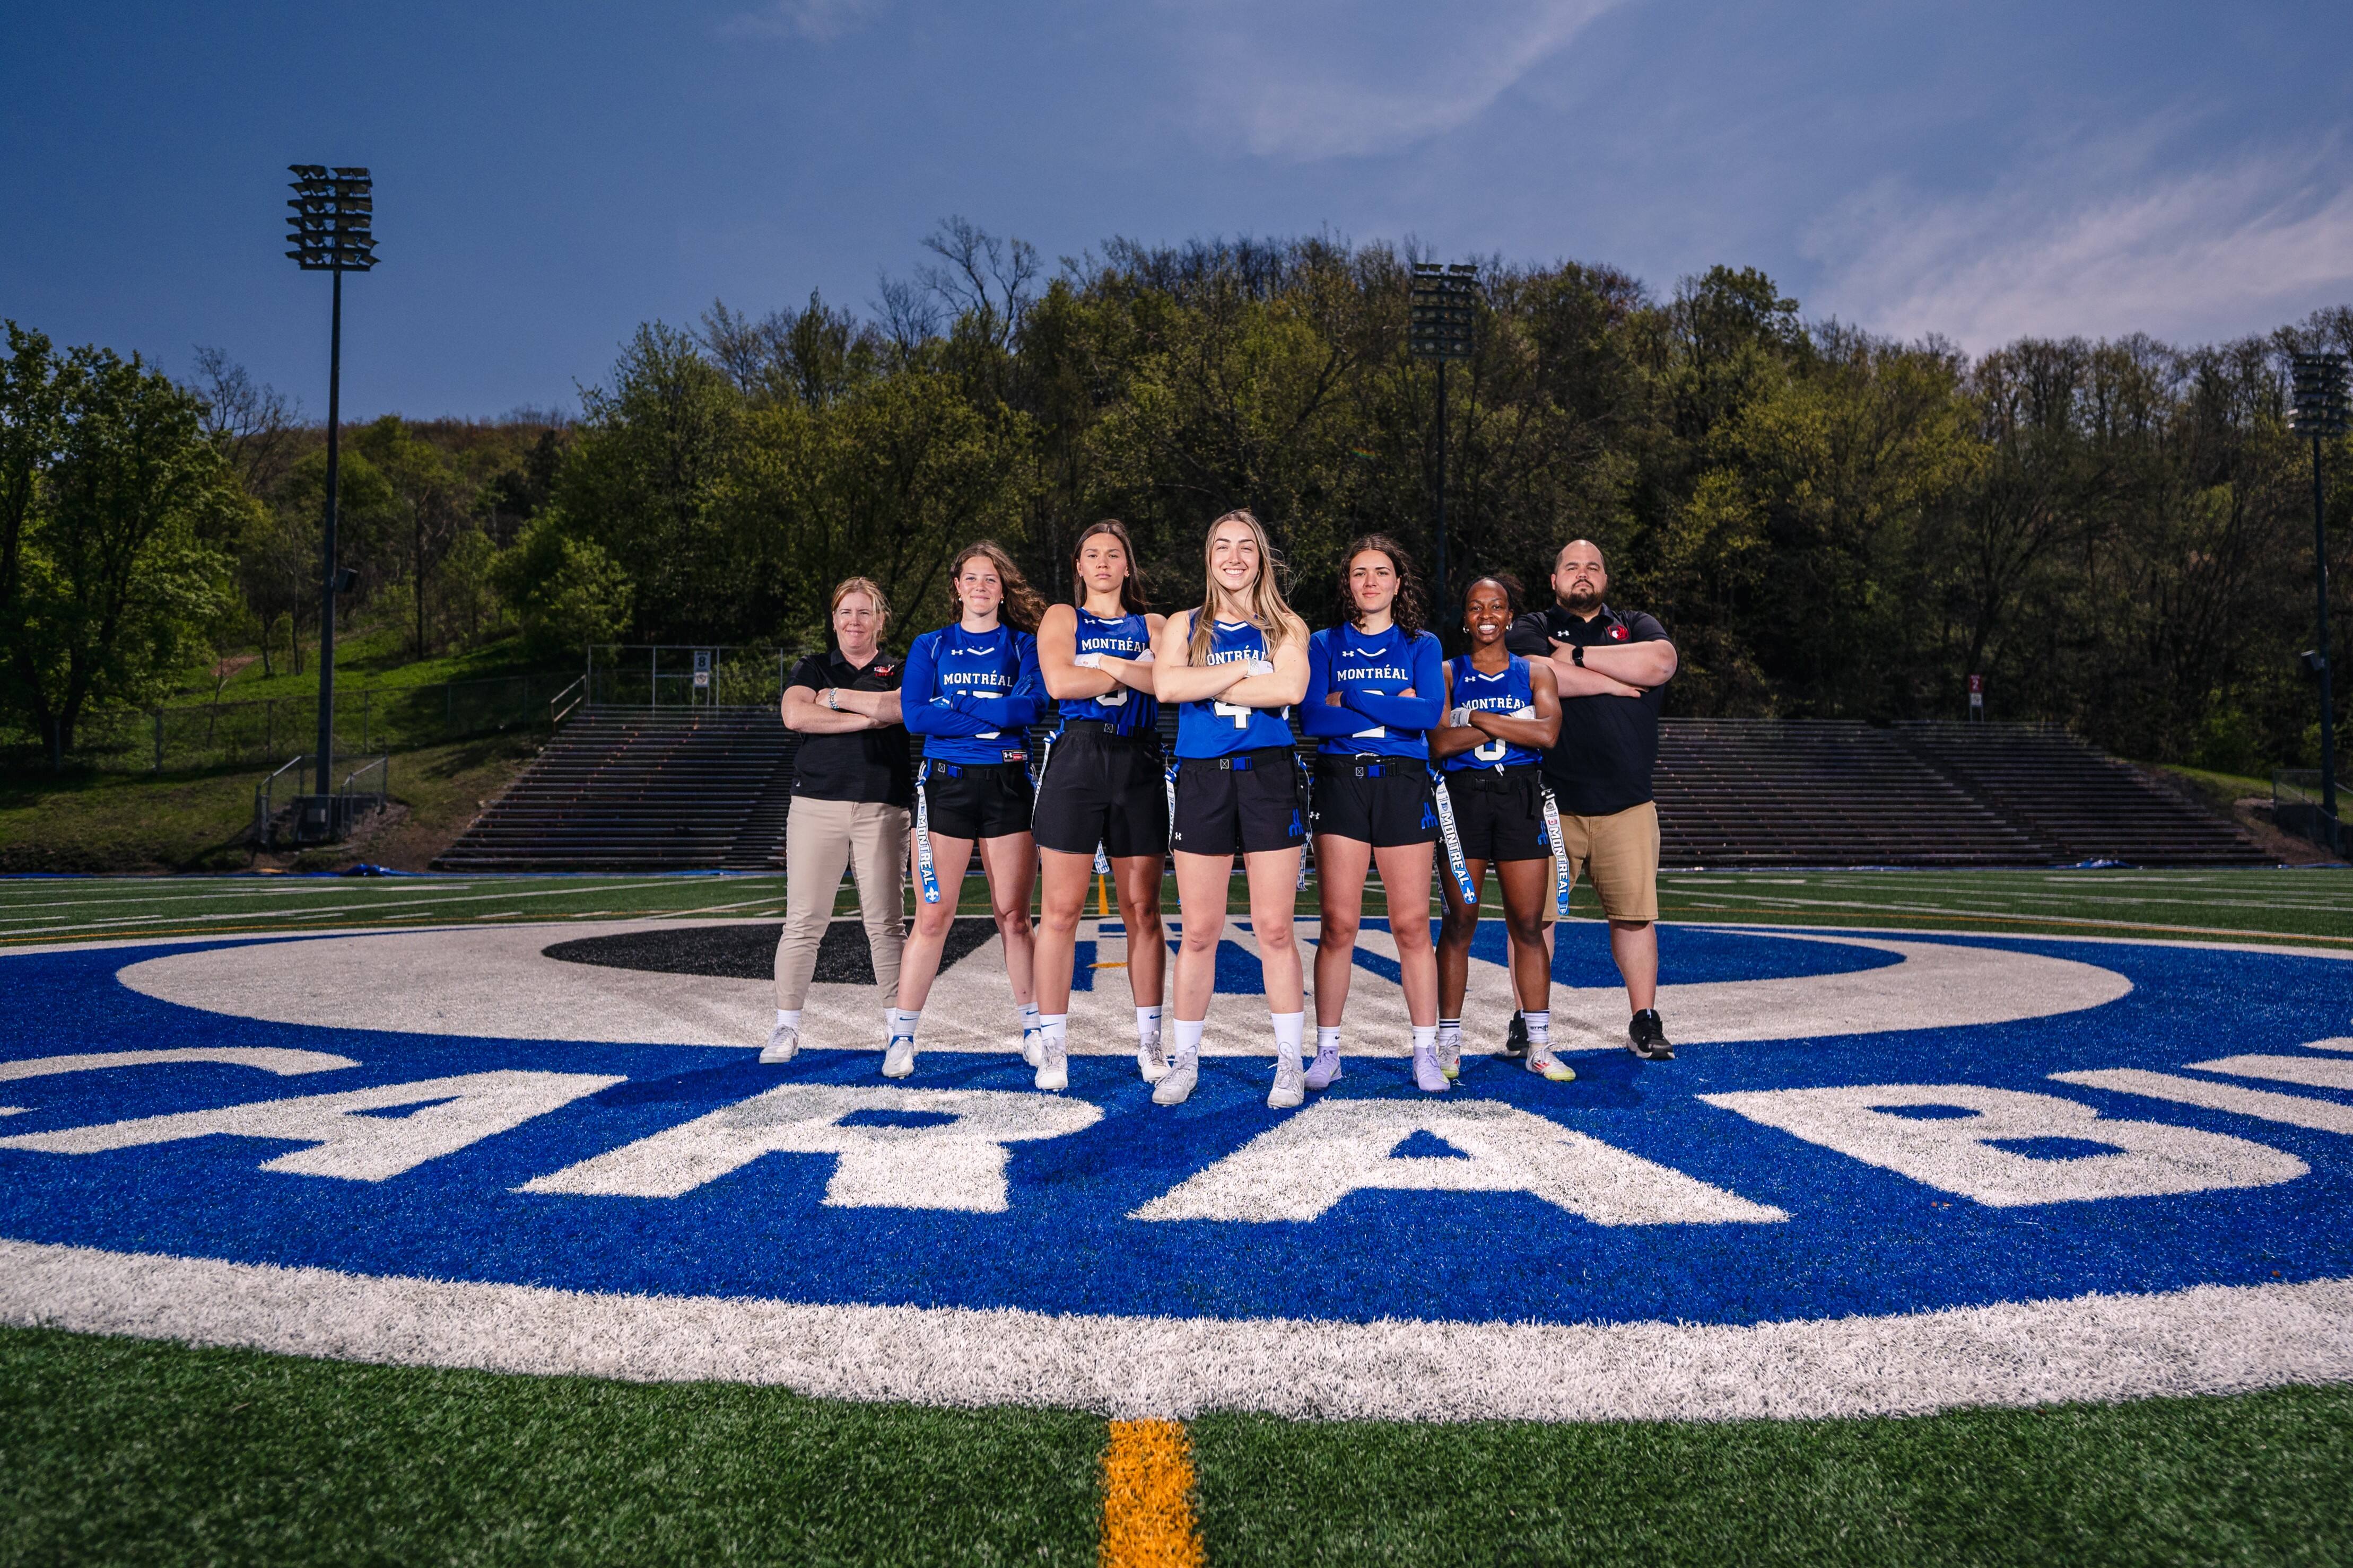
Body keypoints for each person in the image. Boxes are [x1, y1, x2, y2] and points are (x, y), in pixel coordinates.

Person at [1151, 509, 1311, 1108]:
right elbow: (1166, 688)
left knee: (1274, 928)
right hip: (1202, 779)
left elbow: (1289, 690)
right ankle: (1185, 1058)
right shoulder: (1183, 622)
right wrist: (1246, 665)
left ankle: (1289, 1061)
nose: (1234, 556)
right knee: (1198, 931)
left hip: (1268, 778)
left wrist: (1203, 678)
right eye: (1223, 545)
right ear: (1208, 555)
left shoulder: (1286, 623)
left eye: (1246, 546)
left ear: (1260, 556)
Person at [1503, 539, 1679, 1060]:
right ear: (1554, 580)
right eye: (1571, 566)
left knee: (1634, 915)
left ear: (1605, 578)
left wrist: (1577, 658)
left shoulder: (1635, 622)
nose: (1583, 573)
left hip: (1626, 801)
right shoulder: (1529, 625)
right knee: (1531, 919)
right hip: (1548, 799)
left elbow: (1661, 662)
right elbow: (1535, 674)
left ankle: (1643, 1018)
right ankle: (1525, 1018)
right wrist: (1615, 678)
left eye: (1593, 566)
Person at [885, 542, 1049, 1083]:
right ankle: (902, 1036)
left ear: (1004, 588)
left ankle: (1033, 1029)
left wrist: (956, 709)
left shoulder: (1024, 645)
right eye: (971, 578)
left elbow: (1030, 707)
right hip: (946, 788)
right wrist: (991, 719)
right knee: (933, 915)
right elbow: (913, 716)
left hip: (1007, 785)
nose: (980, 587)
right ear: (955, 585)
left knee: (1014, 916)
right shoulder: (929, 645)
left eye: (991, 579)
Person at [1300, 536, 1448, 1092]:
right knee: (1338, 925)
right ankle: (1328, 1050)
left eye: (1380, 572)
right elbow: (1313, 718)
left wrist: (1352, 698)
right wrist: (1390, 707)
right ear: (1348, 584)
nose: (1369, 581)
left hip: (1403, 782)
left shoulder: (1421, 643)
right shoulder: (1323, 642)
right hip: (1341, 783)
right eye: (1359, 573)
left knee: (1411, 924)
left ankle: (1424, 1051)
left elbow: (1428, 712)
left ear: (1397, 583)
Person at [1032, 520, 1167, 1086]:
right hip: (1077, 758)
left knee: (1143, 909)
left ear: (1127, 565)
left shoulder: (1156, 622)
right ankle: (1054, 1045)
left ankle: (1149, 1042)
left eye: (1114, 554)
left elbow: (1163, 682)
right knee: (1061, 911)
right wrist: (1125, 668)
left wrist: (1105, 667)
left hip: (1137, 760)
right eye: (1093, 555)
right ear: (1079, 566)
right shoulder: (1063, 616)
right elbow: (1060, 683)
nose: (1104, 562)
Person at [1430, 575, 1575, 1082]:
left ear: (1511, 616)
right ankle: (1447, 1044)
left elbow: (1549, 733)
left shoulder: (1537, 671)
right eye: (1475, 606)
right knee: (1459, 922)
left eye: (1496, 606)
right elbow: (1440, 744)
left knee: (1528, 925)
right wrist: (1513, 723)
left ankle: (1539, 1044)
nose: (1486, 615)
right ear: (1465, 617)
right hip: (1464, 800)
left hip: (1521, 798)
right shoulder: (1447, 671)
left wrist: (1482, 718)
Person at [768, 577, 910, 1063]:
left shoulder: (898, 667)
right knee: (803, 922)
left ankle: (899, 1030)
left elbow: (901, 707)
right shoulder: (813, 666)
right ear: (834, 620)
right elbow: (794, 716)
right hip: (816, 805)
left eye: (864, 612)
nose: (854, 621)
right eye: (846, 612)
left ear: (879, 619)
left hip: (882, 806)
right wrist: (868, 717)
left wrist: (833, 699)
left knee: (887, 924)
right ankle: (786, 1026)